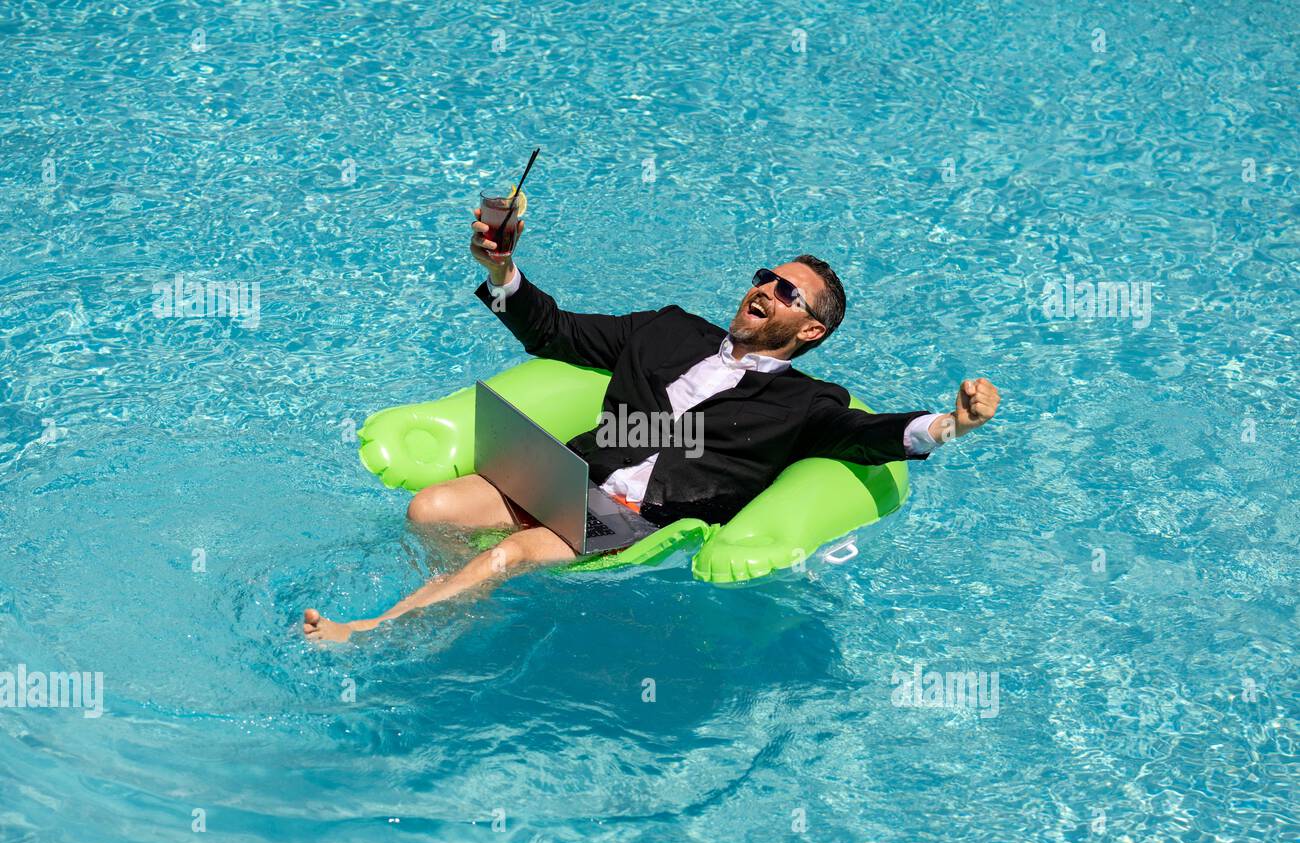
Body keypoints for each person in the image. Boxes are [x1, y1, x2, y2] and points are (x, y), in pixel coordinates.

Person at [303, 208, 1001, 641]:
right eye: (765, 275)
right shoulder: (667, 331)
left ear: (810, 328)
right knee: (430, 508)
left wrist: (953, 425)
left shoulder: (807, 404)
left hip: (634, 518)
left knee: (504, 556)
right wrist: (502, 269)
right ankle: (456, 612)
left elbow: (876, 436)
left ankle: (371, 632)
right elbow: (557, 333)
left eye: (786, 291)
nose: (763, 287)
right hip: (570, 479)